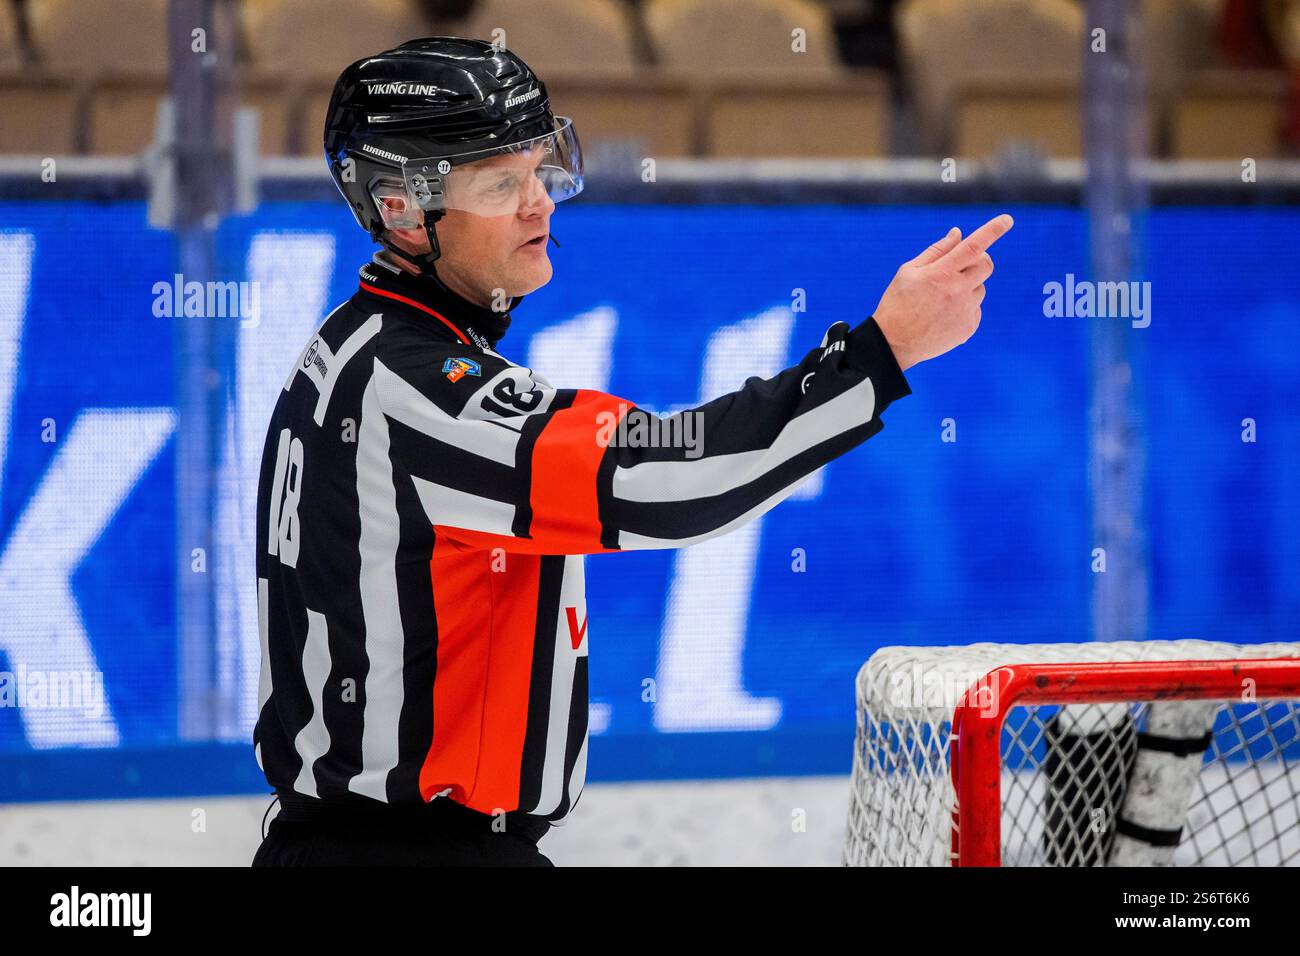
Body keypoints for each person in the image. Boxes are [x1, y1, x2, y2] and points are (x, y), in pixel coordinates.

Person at [251, 36, 1013, 866]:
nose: (540, 202)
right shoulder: (420, 387)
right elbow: (660, 477)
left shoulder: (355, 340)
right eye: (501, 183)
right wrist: (878, 356)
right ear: (401, 207)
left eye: (541, 168)